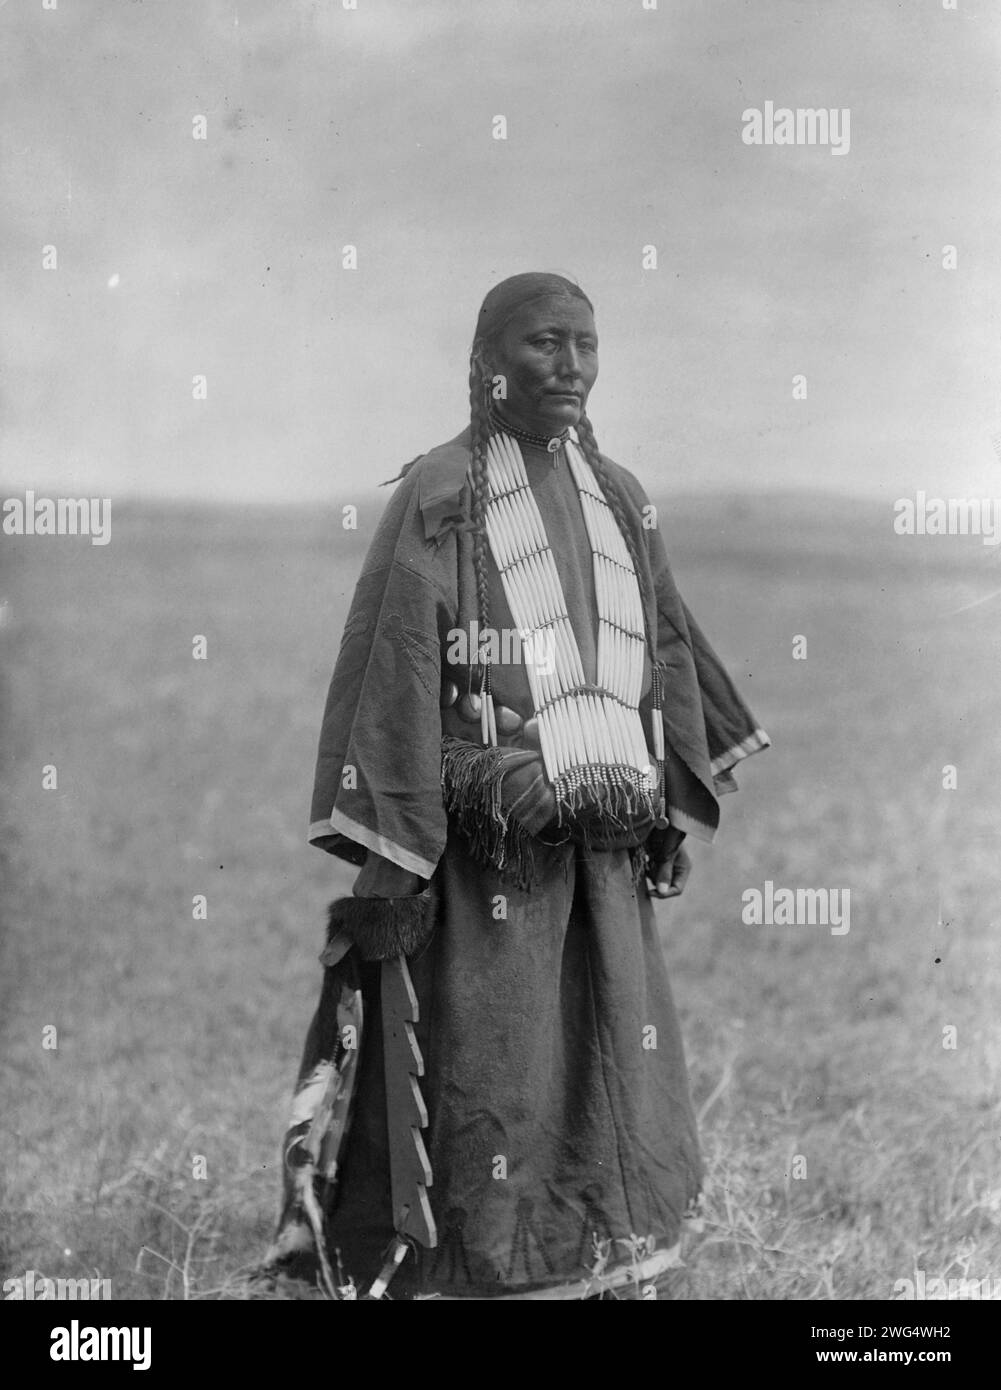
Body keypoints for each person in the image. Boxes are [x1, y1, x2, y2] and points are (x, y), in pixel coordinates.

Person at [263, 272, 769, 1300]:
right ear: (488, 360)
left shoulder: (618, 495)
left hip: (605, 838)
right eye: (544, 343)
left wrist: (663, 800)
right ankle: (461, 1268)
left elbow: (662, 645)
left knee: (603, 1056)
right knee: (489, 1066)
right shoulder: (443, 492)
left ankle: (590, 1255)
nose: (571, 365)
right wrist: (405, 840)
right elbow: (396, 659)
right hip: (484, 843)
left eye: (585, 344)